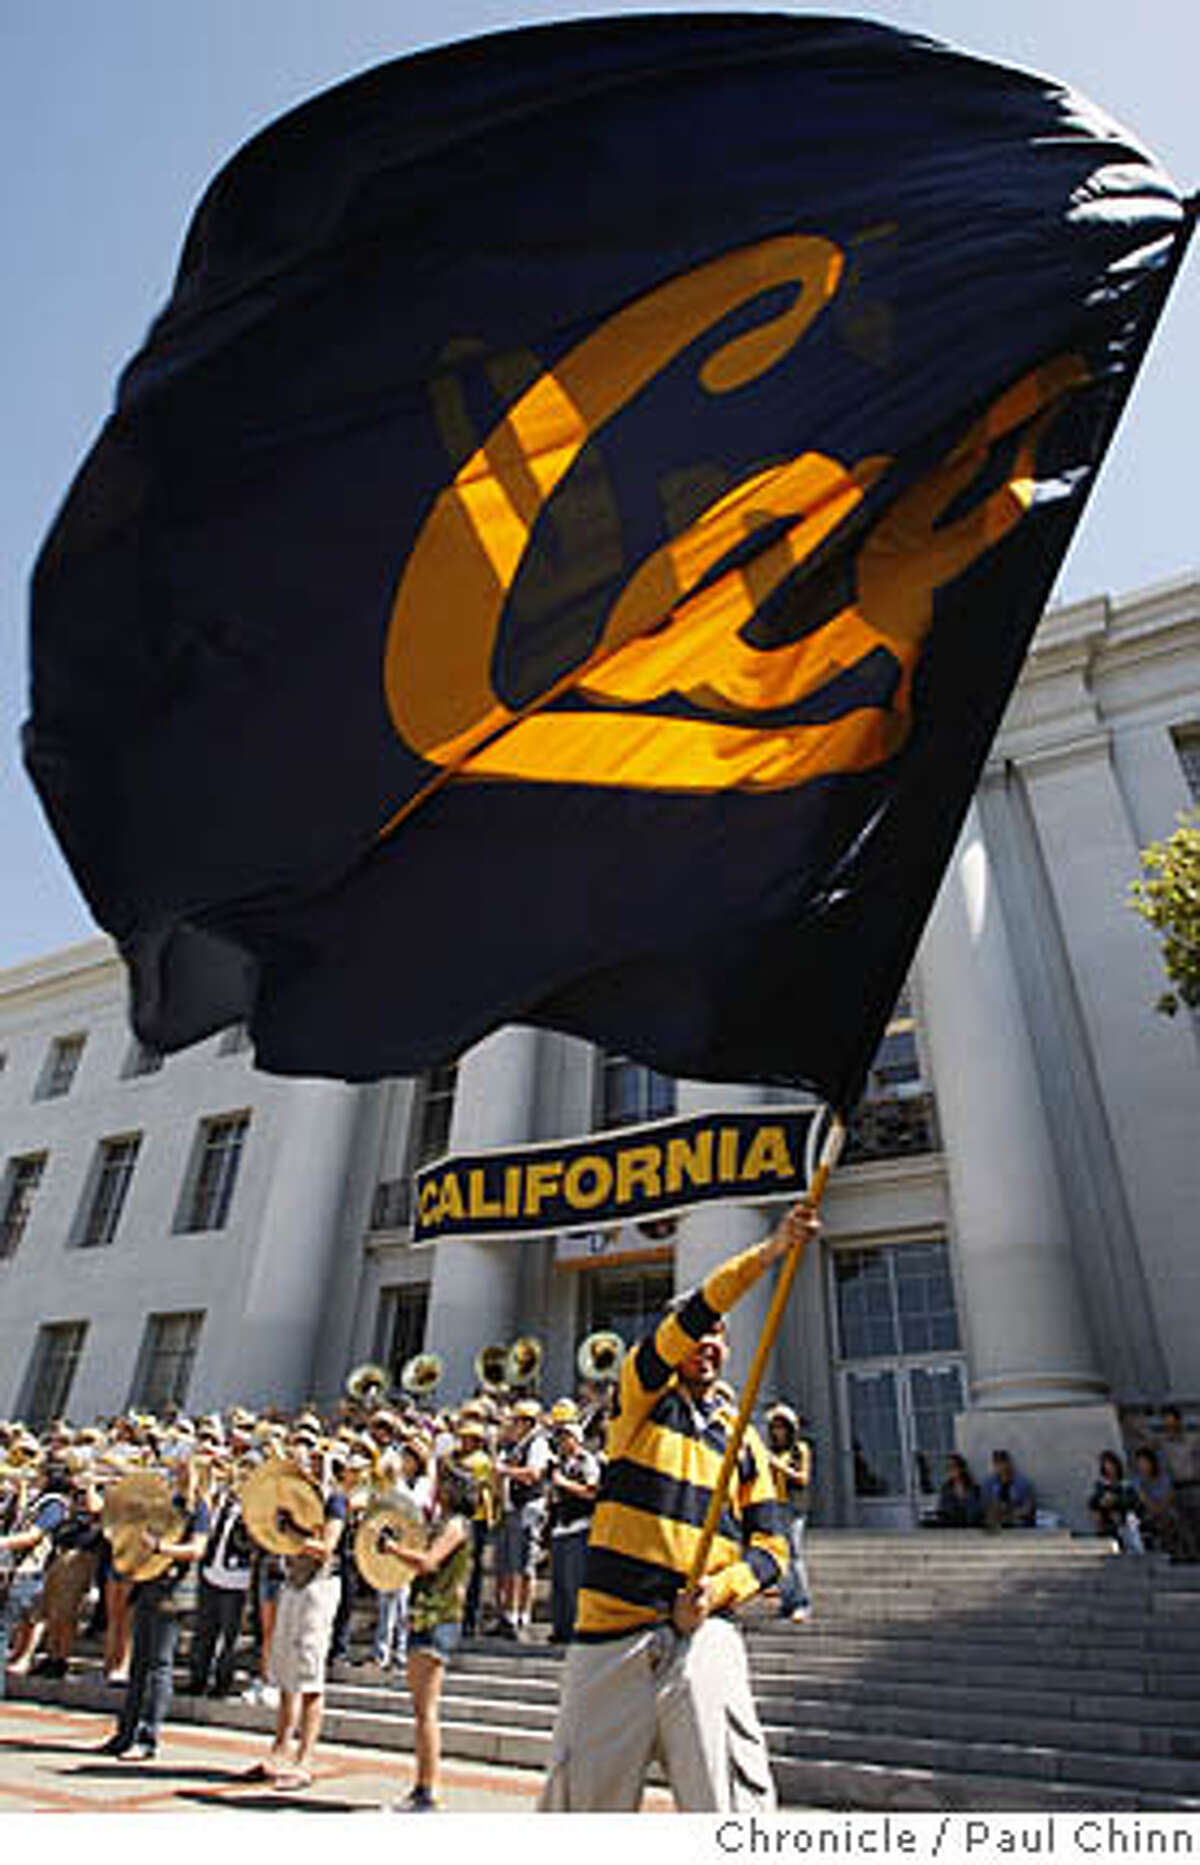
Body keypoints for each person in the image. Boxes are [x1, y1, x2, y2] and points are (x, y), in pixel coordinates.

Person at [539, 1201, 816, 1813]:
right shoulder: (638, 1400)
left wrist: (716, 1594)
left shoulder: (745, 1437)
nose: (709, 1344)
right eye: (699, 1334)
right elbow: (697, 1310)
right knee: (580, 1810)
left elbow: (771, 1551)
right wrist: (772, 1251)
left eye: (718, 1336)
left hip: (706, 1636)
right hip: (611, 1643)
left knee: (733, 1806)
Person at [246, 1425, 347, 1792]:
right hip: (292, 1583)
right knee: (287, 1674)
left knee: (310, 1676)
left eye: (320, 1460)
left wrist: (292, 1533)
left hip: (319, 1586)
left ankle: (305, 1759)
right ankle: (278, 1751)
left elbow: (326, 1548)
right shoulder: (297, 1498)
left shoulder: (335, 1500)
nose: (312, 1464)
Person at [96, 1456, 210, 1761]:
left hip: (173, 1590)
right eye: (179, 1470)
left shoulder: (198, 1508)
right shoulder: (163, 1503)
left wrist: (162, 1549)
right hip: (148, 1583)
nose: (180, 1475)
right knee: (139, 1664)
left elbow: (198, 1549)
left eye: (187, 1471)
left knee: (160, 1665)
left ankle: (148, 1737)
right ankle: (125, 1733)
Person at [385, 1459, 477, 1812]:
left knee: (426, 1710)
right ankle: (424, 1785)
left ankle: (428, 1788)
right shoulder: (446, 1522)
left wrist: (393, 1550)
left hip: (438, 1617)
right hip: (428, 1614)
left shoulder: (456, 1524)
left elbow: (428, 1562)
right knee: (422, 1708)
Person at [186, 1476, 254, 1697]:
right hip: (210, 1573)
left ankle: (222, 1682)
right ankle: (198, 1679)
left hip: (236, 1580)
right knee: (203, 1632)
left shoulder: (253, 1511)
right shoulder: (220, 1503)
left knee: (229, 1637)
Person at [492, 1398, 551, 1640]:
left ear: (527, 1423)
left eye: (516, 1421)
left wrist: (504, 1471)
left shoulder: (537, 1444)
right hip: (508, 1509)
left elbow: (533, 1474)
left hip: (526, 1509)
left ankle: (521, 1615)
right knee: (507, 1565)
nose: (512, 1426)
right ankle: (506, 1614)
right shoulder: (511, 1446)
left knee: (523, 1565)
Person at [547, 1410, 601, 1644]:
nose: (563, 1442)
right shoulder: (560, 1463)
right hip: (560, 1527)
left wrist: (564, 1484)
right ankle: (561, 1629)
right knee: (558, 1582)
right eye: (560, 1437)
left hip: (579, 1527)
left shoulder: (586, 1461)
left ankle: (575, 1628)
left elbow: (592, 1492)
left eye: (567, 1437)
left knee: (573, 1582)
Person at [764, 1403, 813, 1622]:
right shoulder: (772, 1451)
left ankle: (803, 1602)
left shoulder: (800, 1449)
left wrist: (779, 1467)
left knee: (794, 1554)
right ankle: (787, 1602)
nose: (777, 1431)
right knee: (780, 1556)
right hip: (775, 1505)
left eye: (782, 1426)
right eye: (774, 1426)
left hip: (793, 1507)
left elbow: (803, 1478)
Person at [923, 1452, 984, 1529]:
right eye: (948, 1467)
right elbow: (944, 1510)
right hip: (953, 1529)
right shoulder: (946, 1489)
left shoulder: (974, 1488)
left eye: (953, 1467)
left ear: (961, 1468)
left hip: (972, 1528)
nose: (950, 1470)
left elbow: (978, 1510)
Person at [982, 1450, 1036, 1530]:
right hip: (997, 1520)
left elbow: (1028, 1507)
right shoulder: (990, 1483)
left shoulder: (1022, 1483)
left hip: (1017, 1520)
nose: (1001, 1467)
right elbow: (986, 1505)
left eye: (1002, 1463)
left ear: (1009, 1463)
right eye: (997, 1463)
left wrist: (1012, 1515)